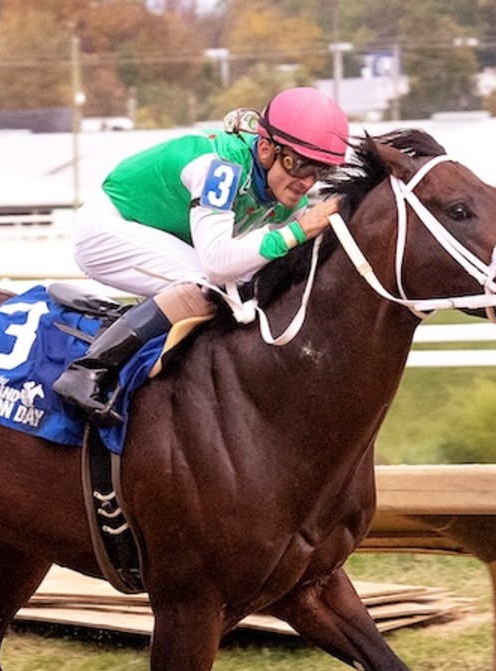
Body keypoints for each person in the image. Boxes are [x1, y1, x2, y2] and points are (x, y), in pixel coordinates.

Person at [53, 86, 350, 426]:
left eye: (320, 172)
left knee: (244, 286)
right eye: (297, 165)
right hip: (106, 229)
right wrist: (298, 232)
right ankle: (88, 371)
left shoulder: (283, 196)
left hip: (155, 234)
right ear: (266, 149)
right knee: (214, 286)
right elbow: (217, 263)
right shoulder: (220, 169)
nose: (306, 183)